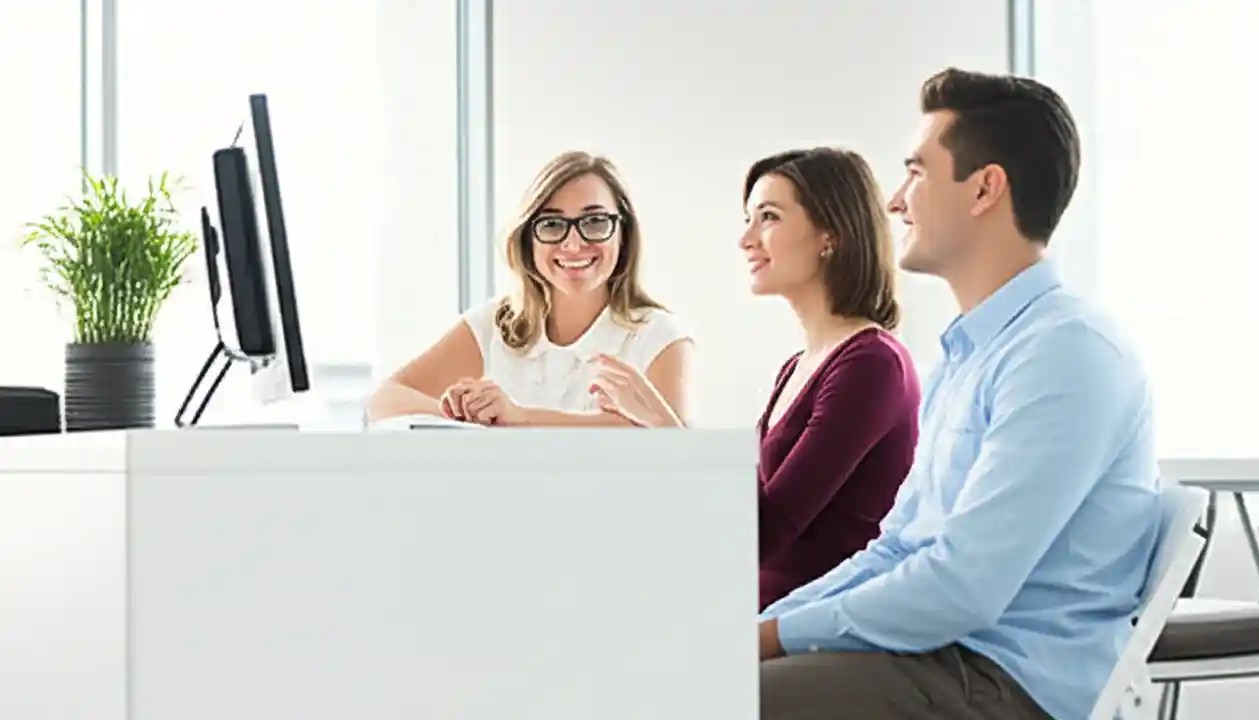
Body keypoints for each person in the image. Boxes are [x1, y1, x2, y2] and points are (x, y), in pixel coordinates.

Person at [757, 68, 1162, 720]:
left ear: (984, 189)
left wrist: (771, 637)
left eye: (916, 172)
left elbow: (961, 588)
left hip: (1000, 680)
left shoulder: (1066, 353)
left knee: (707, 696)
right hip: (939, 658)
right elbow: (896, 549)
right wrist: (767, 625)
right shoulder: (966, 358)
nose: (895, 200)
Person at [588, 148, 920, 610]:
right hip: (762, 616)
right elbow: (744, 513)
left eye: (768, 216)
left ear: (831, 234)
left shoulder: (870, 365)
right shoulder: (798, 366)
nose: (746, 239)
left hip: (813, 630)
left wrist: (664, 426)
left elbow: (760, 533)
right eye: (749, 218)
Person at [365, 151, 693, 426]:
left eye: (594, 222)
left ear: (623, 234)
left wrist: (518, 418)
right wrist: (472, 422)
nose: (574, 243)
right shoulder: (497, 323)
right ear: (527, 240)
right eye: (552, 224)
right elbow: (385, 400)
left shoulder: (659, 335)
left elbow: (667, 440)